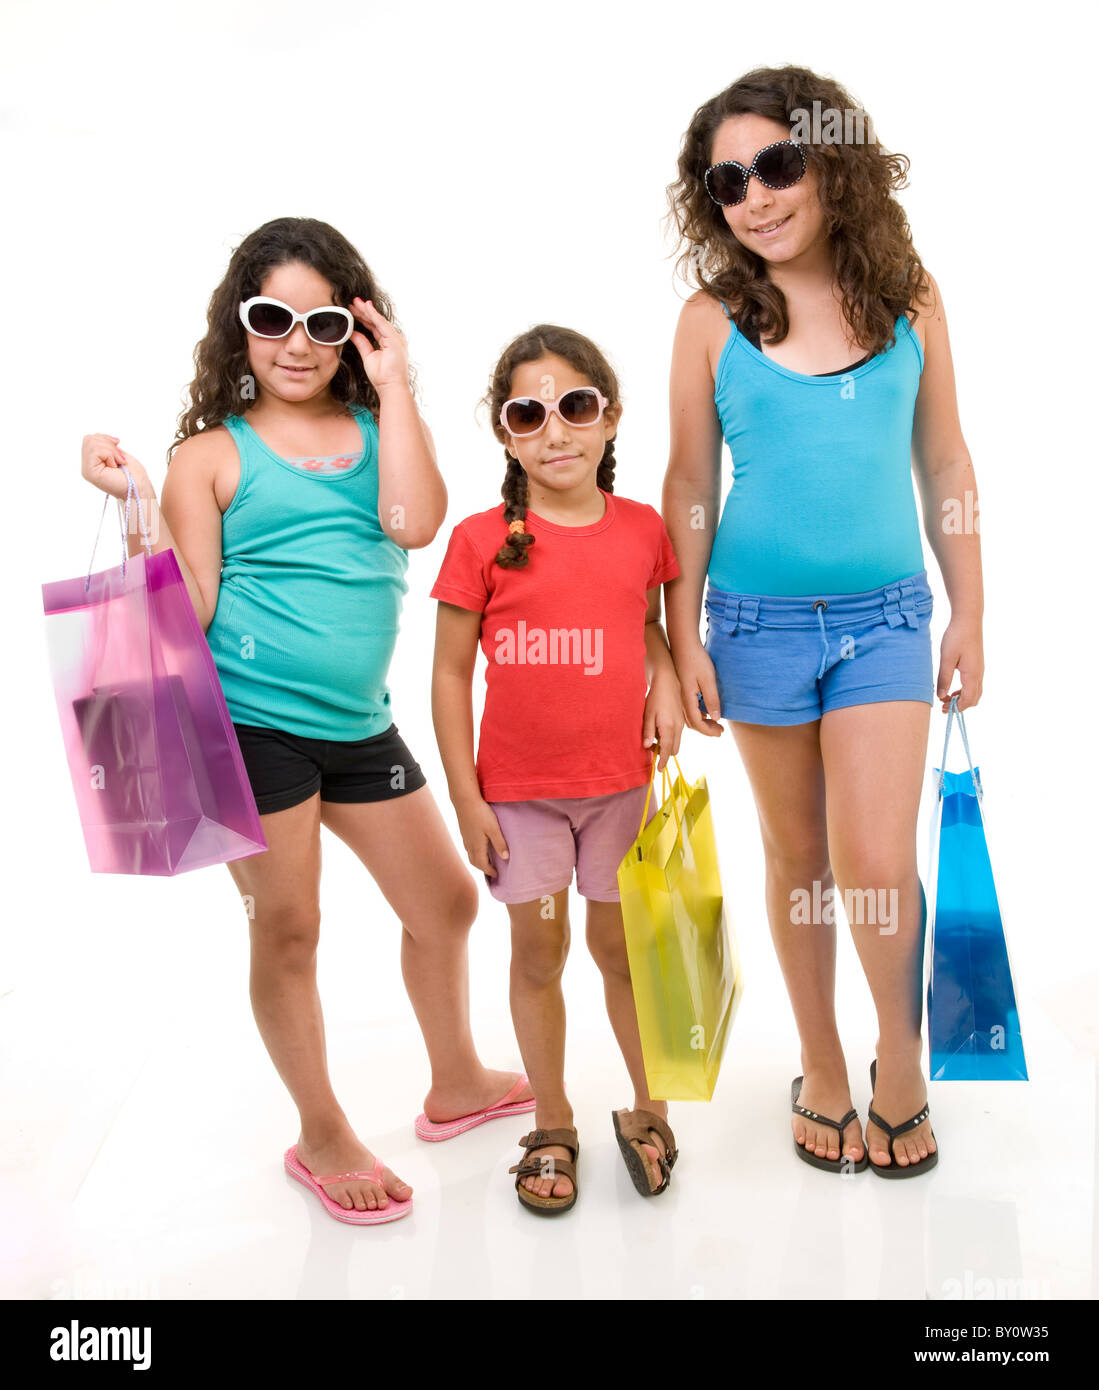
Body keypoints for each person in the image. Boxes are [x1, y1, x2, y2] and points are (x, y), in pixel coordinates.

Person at [79, 217, 533, 1226]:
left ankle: (456, 1078)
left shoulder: (379, 436)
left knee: (449, 904)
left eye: (321, 321)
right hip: (250, 729)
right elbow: (187, 610)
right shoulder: (209, 455)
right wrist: (137, 497)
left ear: (355, 331)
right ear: (239, 327)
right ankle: (320, 1130)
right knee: (289, 928)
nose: (295, 341)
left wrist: (400, 380)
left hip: (359, 725)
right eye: (271, 316)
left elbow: (414, 523)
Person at [662, 67, 984, 1176]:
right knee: (796, 853)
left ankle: (900, 1060)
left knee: (873, 857)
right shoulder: (709, 321)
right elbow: (687, 486)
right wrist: (681, 635)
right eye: (727, 182)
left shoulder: (911, 296)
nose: (755, 196)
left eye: (777, 165)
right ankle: (822, 1064)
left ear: (829, 160)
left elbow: (943, 459)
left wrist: (969, 609)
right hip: (748, 625)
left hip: (885, 619)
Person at [430, 325, 684, 1213]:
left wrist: (660, 677)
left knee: (620, 952)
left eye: (574, 406)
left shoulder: (643, 530)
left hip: (618, 786)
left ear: (608, 417)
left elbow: (640, 622)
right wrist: (465, 795)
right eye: (527, 413)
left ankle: (649, 1107)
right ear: (505, 433)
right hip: (519, 800)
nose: (555, 430)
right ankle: (553, 1118)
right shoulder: (480, 541)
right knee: (539, 950)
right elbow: (450, 672)